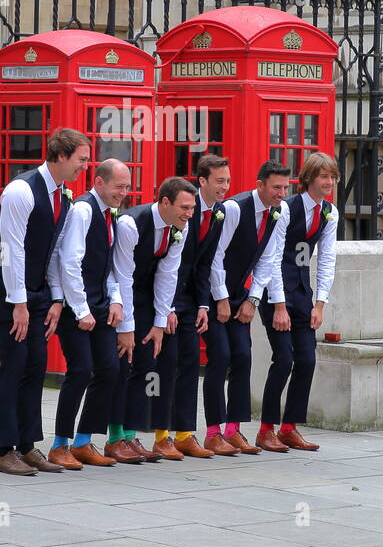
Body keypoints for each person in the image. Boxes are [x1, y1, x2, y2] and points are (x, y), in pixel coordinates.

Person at [0, 128, 90, 476]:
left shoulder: (65, 197)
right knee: (13, 366)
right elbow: (12, 250)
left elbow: (55, 252)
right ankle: (3, 450)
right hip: (6, 292)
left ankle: (27, 446)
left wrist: (57, 299)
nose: (84, 167)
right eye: (81, 159)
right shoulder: (20, 191)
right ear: (61, 156)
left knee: (36, 367)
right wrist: (19, 304)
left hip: (38, 294)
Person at [105, 176, 197, 463]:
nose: (189, 213)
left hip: (146, 294)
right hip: (119, 296)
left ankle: (131, 437)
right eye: (184, 207)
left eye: (193, 208)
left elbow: (168, 274)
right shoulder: (131, 224)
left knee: (146, 363)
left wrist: (159, 322)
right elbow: (122, 275)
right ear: (165, 202)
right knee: (122, 365)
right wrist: (126, 328)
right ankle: (113, 438)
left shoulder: (181, 227)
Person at [49, 158, 132, 469]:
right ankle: (60, 444)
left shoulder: (108, 214)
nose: (124, 192)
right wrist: (82, 310)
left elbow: (107, 265)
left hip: (99, 306)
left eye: (127, 186)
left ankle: (83, 441)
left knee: (109, 370)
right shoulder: (84, 210)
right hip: (76, 308)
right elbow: (68, 261)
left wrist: (116, 300)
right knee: (81, 370)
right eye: (118, 186)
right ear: (99, 182)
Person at [203, 160, 289, 456]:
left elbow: (268, 259)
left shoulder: (276, 213)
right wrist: (222, 298)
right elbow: (215, 255)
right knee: (221, 356)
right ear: (260, 185)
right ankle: (213, 432)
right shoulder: (234, 209)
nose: (281, 193)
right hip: (213, 291)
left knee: (243, 356)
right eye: (276, 187)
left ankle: (234, 429)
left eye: (285, 188)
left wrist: (253, 299)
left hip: (241, 294)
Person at [150, 154, 232, 460]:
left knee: (188, 364)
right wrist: (166, 307)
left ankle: (184, 433)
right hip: (166, 296)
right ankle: (161, 436)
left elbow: (204, 263)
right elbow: (165, 266)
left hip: (190, 299)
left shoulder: (219, 213)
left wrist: (203, 304)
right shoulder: (184, 210)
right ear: (202, 182)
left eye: (227, 180)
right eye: (219, 181)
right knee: (166, 365)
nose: (225, 187)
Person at [257, 152, 339, 452]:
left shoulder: (330, 213)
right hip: (275, 290)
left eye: (332, 177)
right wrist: (279, 305)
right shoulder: (286, 209)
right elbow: (273, 257)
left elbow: (327, 259)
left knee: (306, 359)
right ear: (308, 179)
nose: (329, 182)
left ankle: (289, 427)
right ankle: (266, 429)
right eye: (323, 177)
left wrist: (320, 303)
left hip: (303, 293)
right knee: (284, 359)